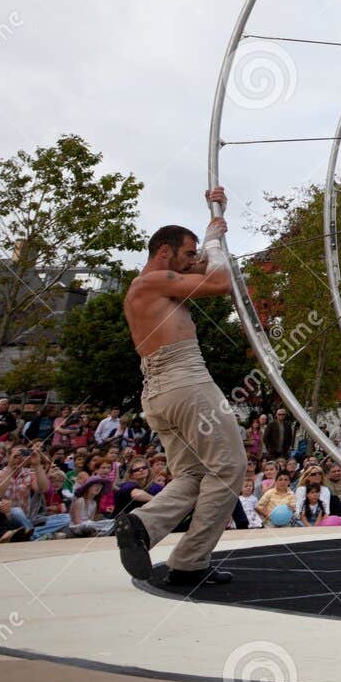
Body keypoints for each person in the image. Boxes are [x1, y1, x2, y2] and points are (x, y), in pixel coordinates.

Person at [114, 188, 246, 590]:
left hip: (161, 391)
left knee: (192, 473)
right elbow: (220, 280)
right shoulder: (151, 283)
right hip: (184, 381)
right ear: (165, 252)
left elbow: (208, 267)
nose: (194, 262)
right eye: (187, 255)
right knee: (229, 468)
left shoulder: (154, 287)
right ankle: (190, 560)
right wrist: (210, 240)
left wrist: (215, 223)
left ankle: (142, 525)